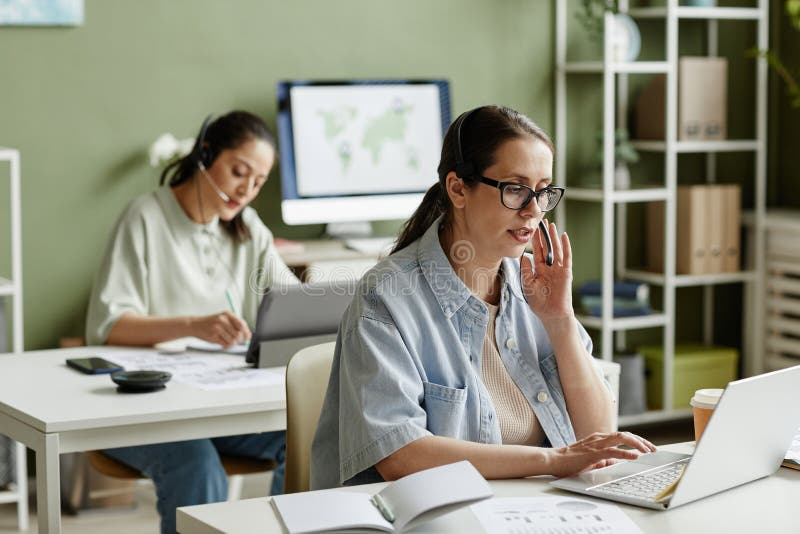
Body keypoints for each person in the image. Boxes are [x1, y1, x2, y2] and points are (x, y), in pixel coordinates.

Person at [310, 105, 656, 490]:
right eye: (516, 189)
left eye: (543, 192)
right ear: (458, 188)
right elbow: (400, 455)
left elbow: (599, 437)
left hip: (530, 510)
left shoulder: (537, 284)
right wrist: (551, 460)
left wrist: (559, 321)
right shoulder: (387, 298)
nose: (534, 211)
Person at [86, 111, 297, 534]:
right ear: (205, 154)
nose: (247, 190)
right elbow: (107, 326)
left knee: (313, 439)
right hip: (147, 410)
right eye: (239, 172)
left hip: (222, 407)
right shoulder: (144, 217)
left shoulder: (247, 229)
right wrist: (192, 325)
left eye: (258, 182)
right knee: (196, 466)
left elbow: (292, 302)